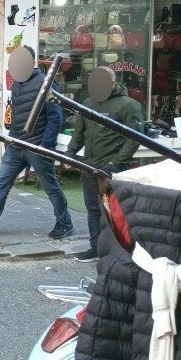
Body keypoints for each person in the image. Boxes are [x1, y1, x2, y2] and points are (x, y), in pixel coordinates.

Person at [0, 47, 74, 239]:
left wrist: (45, 146)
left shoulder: (46, 83)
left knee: (50, 186)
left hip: (37, 146)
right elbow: (16, 114)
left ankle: (65, 222)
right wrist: (10, 139)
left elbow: (56, 117)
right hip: (16, 145)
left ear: (32, 63)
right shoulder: (17, 84)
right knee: (2, 182)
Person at [66, 67, 143, 263]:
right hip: (89, 166)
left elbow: (134, 138)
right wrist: (70, 153)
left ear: (113, 83)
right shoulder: (88, 103)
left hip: (112, 168)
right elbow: (79, 132)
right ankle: (96, 248)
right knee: (93, 208)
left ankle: (118, 250)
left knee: (113, 210)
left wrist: (115, 162)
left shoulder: (129, 105)